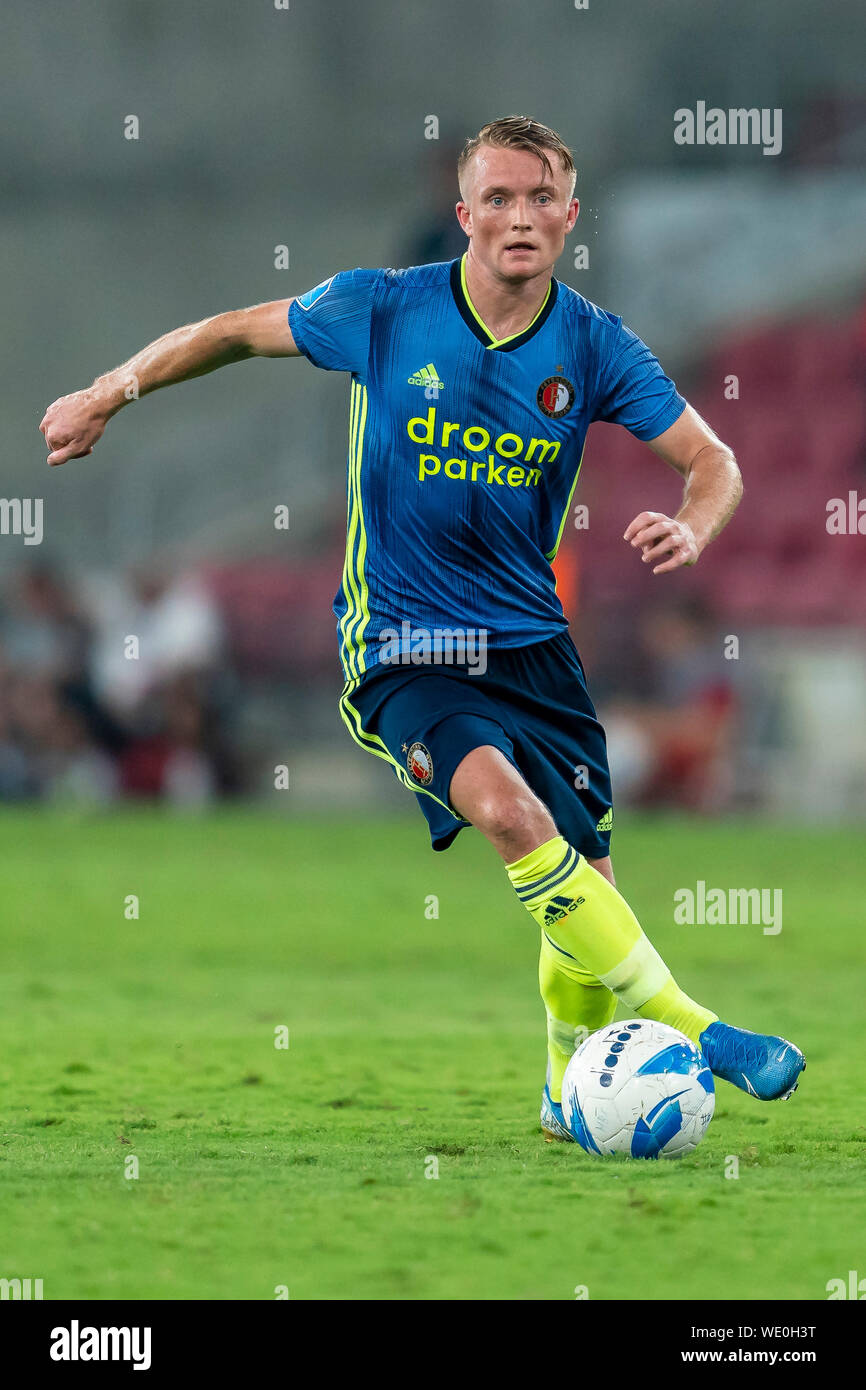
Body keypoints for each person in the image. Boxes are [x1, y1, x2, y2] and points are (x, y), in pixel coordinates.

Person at [39, 115, 804, 1142]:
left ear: (569, 218)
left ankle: (554, 1089)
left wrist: (691, 526)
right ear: (463, 216)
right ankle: (698, 1027)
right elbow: (225, 331)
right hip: (403, 644)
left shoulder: (593, 343)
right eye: (496, 198)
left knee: (579, 890)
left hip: (532, 647)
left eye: (539, 198)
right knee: (508, 816)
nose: (518, 216)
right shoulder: (382, 308)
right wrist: (106, 392)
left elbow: (712, 462)